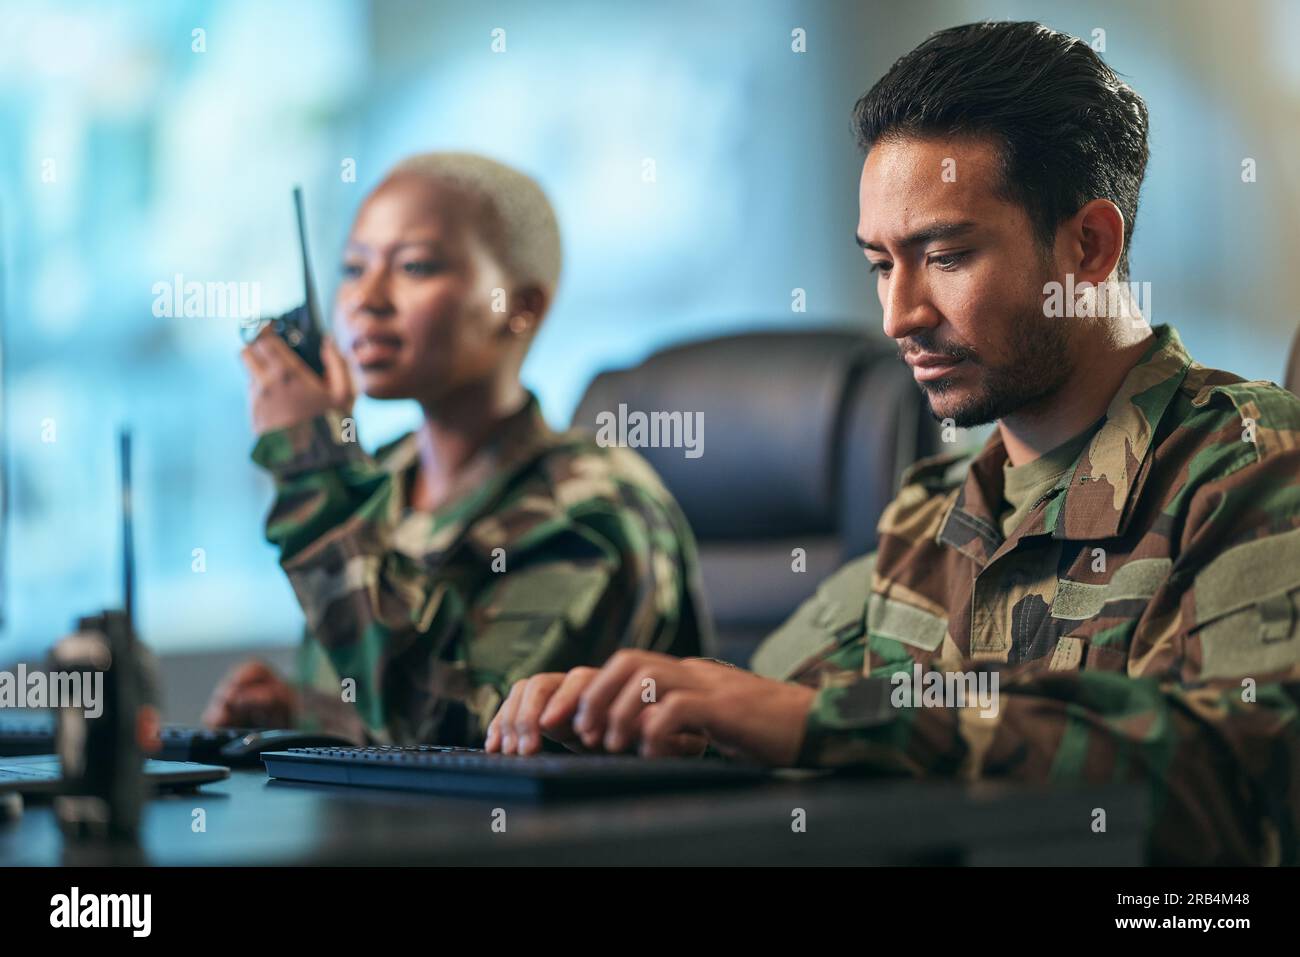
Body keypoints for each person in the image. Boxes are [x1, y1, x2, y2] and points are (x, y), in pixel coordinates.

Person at [485, 22, 1300, 865]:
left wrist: (816, 720)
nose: (898, 316)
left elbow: (1234, 781)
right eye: (882, 264)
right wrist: (622, 717)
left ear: (1088, 247)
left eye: (945, 255)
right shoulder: (932, 514)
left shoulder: (1251, 464)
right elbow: (755, 706)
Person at [203, 152, 712, 746]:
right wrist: (308, 710)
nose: (366, 298)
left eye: (414, 267)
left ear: (519, 308)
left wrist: (314, 466)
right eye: (352, 268)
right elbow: (384, 707)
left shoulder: (595, 509)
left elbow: (463, 737)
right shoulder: (384, 476)